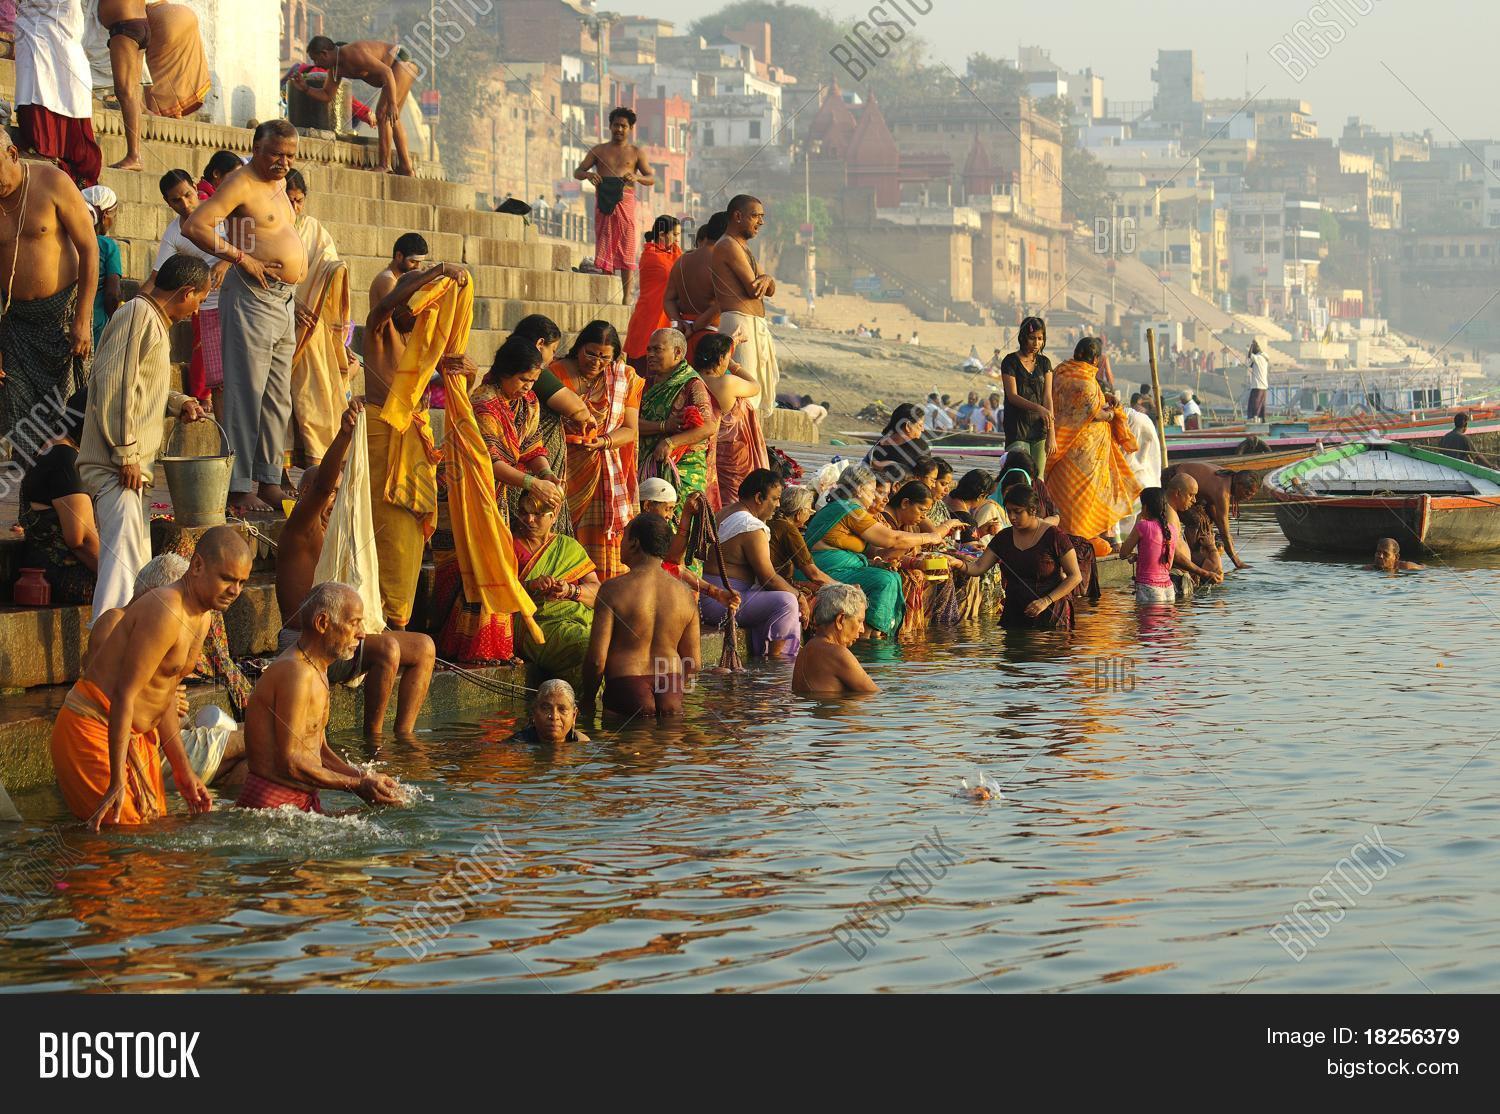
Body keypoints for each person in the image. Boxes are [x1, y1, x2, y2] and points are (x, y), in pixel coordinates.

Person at [51, 526, 251, 829]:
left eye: (241, 582)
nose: (235, 590)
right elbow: (125, 694)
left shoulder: (203, 617)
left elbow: (164, 695)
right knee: (127, 838)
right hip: (93, 729)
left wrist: (184, 771)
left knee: (155, 842)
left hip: (137, 739)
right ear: (198, 566)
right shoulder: (167, 609)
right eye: (227, 578)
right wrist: (117, 778)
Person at [276, 398, 436, 737]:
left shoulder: (341, 533)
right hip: (303, 641)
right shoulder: (300, 530)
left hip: (344, 636)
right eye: (330, 493)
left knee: (425, 647)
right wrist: (344, 435)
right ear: (305, 494)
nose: (335, 499)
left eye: (340, 492)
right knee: (388, 648)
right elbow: (322, 486)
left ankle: (404, 737)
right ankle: (373, 740)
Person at [183, 120, 310, 515]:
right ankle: (239, 488)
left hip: (283, 299)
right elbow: (195, 226)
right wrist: (241, 257)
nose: (283, 162)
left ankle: (269, 480)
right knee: (245, 394)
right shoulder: (240, 182)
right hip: (251, 297)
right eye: (276, 154)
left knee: (276, 397)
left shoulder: (279, 184)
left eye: (290, 155)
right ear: (255, 148)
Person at [79, 255, 210, 620]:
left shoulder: (152, 321)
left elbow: (144, 388)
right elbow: (115, 386)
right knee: (120, 569)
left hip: (132, 469)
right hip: (117, 466)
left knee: (136, 568)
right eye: (199, 299)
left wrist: (180, 402)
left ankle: (129, 640)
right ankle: (105, 642)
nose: (197, 310)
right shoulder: (138, 315)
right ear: (186, 292)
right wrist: (126, 453)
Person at [433, 336, 563, 664]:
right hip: (463, 493)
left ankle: (491, 647)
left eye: (533, 381)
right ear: (504, 372)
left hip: (495, 494)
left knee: (496, 561)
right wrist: (533, 483)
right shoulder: (484, 402)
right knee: (469, 565)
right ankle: (457, 645)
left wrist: (546, 474)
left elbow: (533, 446)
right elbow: (489, 461)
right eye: (522, 379)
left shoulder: (528, 402)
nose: (528, 387)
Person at [361, 257, 473, 629]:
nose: (418, 309)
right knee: (388, 529)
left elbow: (455, 384)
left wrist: (466, 374)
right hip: (382, 432)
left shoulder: (424, 343)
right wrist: (435, 272)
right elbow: (386, 306)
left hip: (415, 438)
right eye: (415, 299)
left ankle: (400, 619)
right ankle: (382, 618)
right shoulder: (379, 328)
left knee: (409, 533)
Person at [240, 583, 404, 813]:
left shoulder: (318, 669)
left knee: (384, 814)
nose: (362, 633)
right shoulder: (297, 672)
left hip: (299, 801)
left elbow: (319, 752)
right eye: (354, 623)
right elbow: (291, 762)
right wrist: (356, 784)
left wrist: (366, 778)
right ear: (322, 623)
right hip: (273, 803)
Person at [0, 140, 99, 461]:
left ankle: (67, 489)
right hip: (16, 322)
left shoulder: (53, 181)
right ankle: (29, 492)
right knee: (17, 409)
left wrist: (83, 318)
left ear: (12, 154)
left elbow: (90, 249)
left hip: (65, 318)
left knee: (68, 416)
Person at [581, 514, 701, 718]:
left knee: (625, 737)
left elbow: (596, 661)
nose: (620, 542)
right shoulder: (685, 594)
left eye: (624, 536)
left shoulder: (612, 590)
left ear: (634, 543)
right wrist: (675, 691)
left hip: (627, 686)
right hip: (670, 689)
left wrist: (588, 699)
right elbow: (693, 663)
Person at [799, 463, 937, 638]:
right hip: (822, 569)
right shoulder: (850, 509)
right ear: (859, 490)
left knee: (892, 576)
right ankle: (870, 639)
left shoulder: (848, 508)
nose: (874, 496)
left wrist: (880, 562)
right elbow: (892, 539)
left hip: (839, 568)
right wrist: (930, 536)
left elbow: (881, 551)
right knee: (884, 580)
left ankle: (878, 633)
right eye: (872, 491)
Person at [551, 320, 643, 579]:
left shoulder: (624, 377)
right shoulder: (556, 372)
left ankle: (600, 590)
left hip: (604, 471)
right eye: (590, 354)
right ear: (579, 347)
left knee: (598, 534)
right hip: (562, 467)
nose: (596, 362)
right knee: (560, 527)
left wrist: (603, 442)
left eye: (605, 357)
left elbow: (630, 429)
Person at [286, 170, 355, 466]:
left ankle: (319, 462)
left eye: (299, 201)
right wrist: (291, 303)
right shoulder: (266, 229)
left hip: (311, 327)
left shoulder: (313, 229)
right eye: (289, 200)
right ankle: (279, 471)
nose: (295, 207)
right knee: (279, 402)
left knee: (312, 393)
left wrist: (334, 271)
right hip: (277, 319)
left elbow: (329, 263)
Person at [147, 169, 230, 410]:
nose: (184, 204)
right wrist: (138, 304)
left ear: (195, 187)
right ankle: (207, 402)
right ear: (167, 202)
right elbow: (156, 276)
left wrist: (226, 262)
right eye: (176, 200)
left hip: (238, 297)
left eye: (187, 195)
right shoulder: (174, 232)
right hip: (207, 303)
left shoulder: (221, 210)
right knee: (215, 378)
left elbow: (248, 239)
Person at [1046, 338, 1141, 545]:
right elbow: (1095, 413)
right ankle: (1084, 538)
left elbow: (1077, 401)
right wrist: (1112, 414)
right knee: (1086, 498)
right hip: (1085, 453)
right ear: (1096, 359)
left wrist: (1103, 396)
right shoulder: (1086, 381)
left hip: (1061, 446)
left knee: (1064, 495)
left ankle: (1067, 537)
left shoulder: (1061, 372)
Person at [699, 469, 802, 659]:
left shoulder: (726, 512)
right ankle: (777, 664)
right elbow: (768, 578)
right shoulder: (750, 526)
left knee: (782, 595)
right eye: (775, 499)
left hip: (710, 597)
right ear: (758, 497)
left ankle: (761, 655)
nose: (778, 505)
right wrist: (799, 596)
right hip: (722, 602)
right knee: (787, 602)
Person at [960, 484, 1082, 630]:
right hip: (1015, 612)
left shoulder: (1054, 536)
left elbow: (1075, 576)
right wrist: (957, 563)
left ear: (1033, 510)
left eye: (1017, 512)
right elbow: (978, 567)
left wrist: (1046, 601)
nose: (1012, 517)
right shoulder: (1003, 538)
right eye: (1009, 511)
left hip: (1050, 613)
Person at [295, 36, 420, 175]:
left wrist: (391, 103)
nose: (316, 64)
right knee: (392, 118)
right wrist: (305, 88)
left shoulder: (351, 53)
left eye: (316, 59)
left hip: (400, 62)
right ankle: (406, 167)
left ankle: (384, 165)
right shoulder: (335, 70)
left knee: (382, 113)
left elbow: (387, 72)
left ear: (325, 53)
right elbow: (327, 95)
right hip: (399, 68)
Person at [510, 313, 588, 534]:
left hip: (535, 469)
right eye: (553, 350)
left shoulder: (527, 384)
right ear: (539, 344)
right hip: (519, 477)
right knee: (526, 531)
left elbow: (531, 441)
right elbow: (578, 410)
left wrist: (545, 473)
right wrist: (534, 482)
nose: (553, 358)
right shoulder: (532, 372)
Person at [19, 386, 97, 604]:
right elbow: (80, 540)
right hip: (65, 575)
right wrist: (120, 578)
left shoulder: (51, 446)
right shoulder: (65, 458)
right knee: (168, 538)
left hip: (46, 566)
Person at [13, 0, 103, 187]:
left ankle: (59, 158)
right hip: (37, 32)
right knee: (41, 85)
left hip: (60, 33)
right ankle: (49, 151)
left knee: (58, 88)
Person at [513, 488, 600, 677]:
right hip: (536, 625)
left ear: (553, 516)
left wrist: (570, 590)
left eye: (538, 514)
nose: (529, 520)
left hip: (579, 619)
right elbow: (496, 592)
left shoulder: (569, 546)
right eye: (524, 512)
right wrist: (531, 586)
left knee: (617, 641)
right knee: (588, 646)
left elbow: (598, 594)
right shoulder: (507, 544)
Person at [573, 107, 655, 304]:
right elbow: (578, 171)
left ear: (630, 128)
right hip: (603, 202)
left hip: (626, 202)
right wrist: (589, 175)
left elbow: (650, 178)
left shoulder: (636, 153)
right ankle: (606, 294)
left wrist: (636, 177)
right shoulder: (598, 150)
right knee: (605, 245)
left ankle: (627, 297)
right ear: (610, 126)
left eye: (623, 126)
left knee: (627, 247)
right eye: (616, 125)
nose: (619, 129)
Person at [638, 328, 718, 525]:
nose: (650, 355)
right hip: (647, 465)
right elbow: (631, 423)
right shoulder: (646, 383)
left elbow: (708, 427)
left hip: (682, 467)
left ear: (677, 353)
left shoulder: (691, 384)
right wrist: (664, 426)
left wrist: (670, 442)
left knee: (679, 524)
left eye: (657, 349)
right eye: (649, 349)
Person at [711, 194, 780, 417]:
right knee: (744, 395)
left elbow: (769, 289)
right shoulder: (727, 245)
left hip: (753, 324)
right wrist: (765, 279)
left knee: (756, 395)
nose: (761, 222)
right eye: (755, 216)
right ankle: (738, 438)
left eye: (762, 216)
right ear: (738, 216)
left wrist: (767, 278)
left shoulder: (743, 248)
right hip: (739, 324)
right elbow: (754, 289)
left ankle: (749, 437)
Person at [696, 331, 767, 506]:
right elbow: (755, 387)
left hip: (702, 446)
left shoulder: (692, 379)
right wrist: (734, 366)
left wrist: (731, 345)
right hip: (732, 452)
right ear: (721, 359)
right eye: (727, 357)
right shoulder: (727, 383)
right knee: (733, 498)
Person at [1161, 460, 1258, 570]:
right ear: (1239, 485)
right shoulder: (1223, 491)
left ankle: (1201, 553)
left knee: (1206, 520)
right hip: (1172, 479)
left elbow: (1212, 509)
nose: (1248, 498)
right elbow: (1223, 527)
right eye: (1247, 493)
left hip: (1184, 483)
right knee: (1196, 520)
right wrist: (1237, 561)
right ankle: (1194, 557)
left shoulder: (1229, 478)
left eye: (1251, 496)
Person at [792, 584, 879, 696]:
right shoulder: (837, 654)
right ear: (840, 620)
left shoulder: (805, 651)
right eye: (859, 621)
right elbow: (874, 695)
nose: (862, 629)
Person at [663, 211, 728, 363]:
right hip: (711, 339)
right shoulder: (721, 261)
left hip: (683, 336)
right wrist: (695, 327)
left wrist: (679, 323)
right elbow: (721, 303)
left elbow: (668, 300)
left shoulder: (682, 260)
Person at [770, 483, 836, 624]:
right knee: (828, 598)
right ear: (799, 513)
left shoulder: (772, 522)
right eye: (809, 512)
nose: (809, 516)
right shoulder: (789, 529)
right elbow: (814, 574)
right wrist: (842, 586)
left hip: (773, 583)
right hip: (776, 586)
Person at [98, 0, 152, 170]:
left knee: (125, 92)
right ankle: (135, 155)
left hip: (125, 27)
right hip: (139, 24)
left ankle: (134, 155)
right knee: (132, 92)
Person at [625, 215, 682, 366]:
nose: (678, 239)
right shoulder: (652, 255)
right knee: (646, 363)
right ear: (662, 235)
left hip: (666, 316)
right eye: (675, 234)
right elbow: (675, 274)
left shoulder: (673, 253)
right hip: (650, 315)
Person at [140, 2, 210, 119]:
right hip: (184, 14)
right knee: (179, 69)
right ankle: (176, 112)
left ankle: (162, 111)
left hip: (159, 18)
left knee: (157, 73)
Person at [1002, 317, 1054, 472]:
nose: (1036, 343)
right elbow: (1012, 396)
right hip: (1017, 429)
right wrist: (1038, 408)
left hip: (1040, 430)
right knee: (1020, 475)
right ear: (1023, 337)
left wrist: (1051, 433)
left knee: (1039, 478)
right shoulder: (1010, 362)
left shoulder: (1045, 363)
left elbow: (1048, 398)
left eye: (1040, 338)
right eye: (1032, 338)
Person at [82, 185, 121, 348]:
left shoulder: (67, 240)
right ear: (105, 215)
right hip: (97, 328)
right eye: (114, 215)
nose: (114, 220)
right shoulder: (107, 246)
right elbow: (112, 295)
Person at [506, 679, 592, 745]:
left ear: (574, 715)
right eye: (546, 708)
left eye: (562, 709)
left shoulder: (582, 744)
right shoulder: (516, 746)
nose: (554, 716)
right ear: (534, 713)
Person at [864, 403, 930, 483]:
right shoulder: (919, 446)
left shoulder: (880, 443)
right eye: (920, 425)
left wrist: (889, 465)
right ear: (908, 426)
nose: (923, 429)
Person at [1247, 340, 1270, 420]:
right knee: (1262, 404)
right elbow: (1251, 365)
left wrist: (1251, 346)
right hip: (1264, 386)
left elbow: (1249, 355)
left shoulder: (1258, 358)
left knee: (1255, 403)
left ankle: (1255, 419)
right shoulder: (1264, 358)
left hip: (1257, 385)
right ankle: (1262, 419)